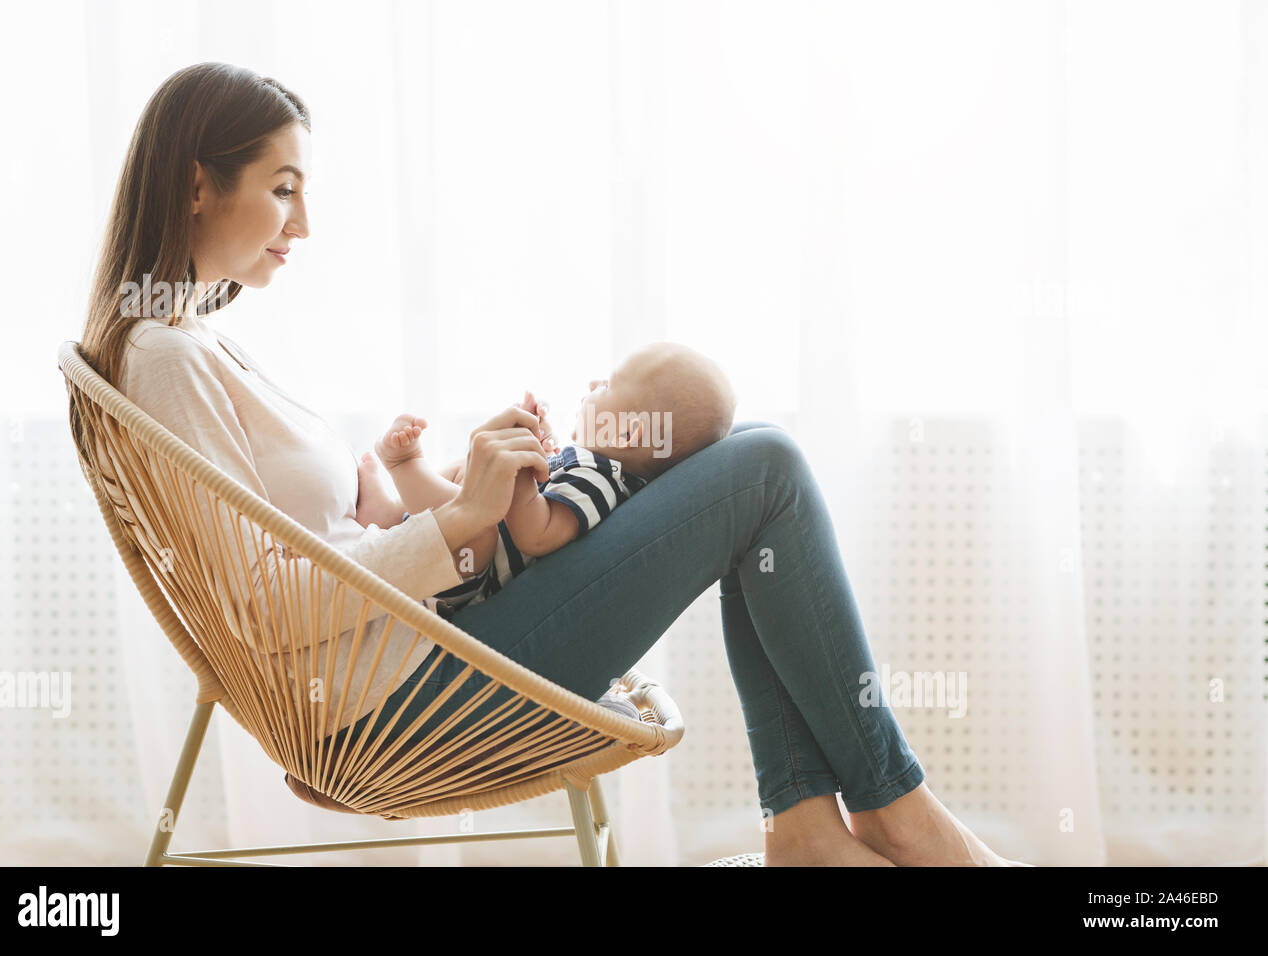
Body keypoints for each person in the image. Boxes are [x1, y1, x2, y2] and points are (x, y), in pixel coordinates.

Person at [73, 61, 1027, 866]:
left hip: (424, 654)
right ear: (198, 183)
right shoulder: (166, 357)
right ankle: (891, 809)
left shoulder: (190, 343)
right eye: (283, 188)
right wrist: (453, 523)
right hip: (403, 701)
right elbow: (265, 604)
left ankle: (812, 827)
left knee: (741, 457)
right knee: (764, 467)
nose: (304, 224)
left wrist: (411, 487)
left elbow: (298, 540)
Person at [353, 341, 738, 613]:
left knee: (479, 523)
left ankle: (405, 466)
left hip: (469, 584)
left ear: (626, 434)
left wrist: (519, 467)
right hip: (457, 560)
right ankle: (390, 515)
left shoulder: (603, 481)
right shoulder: (593, 468)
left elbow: (537, 535)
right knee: (468, 471)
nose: (591, 385)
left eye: (606, 385)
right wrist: (533, 450)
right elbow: (543, 492)